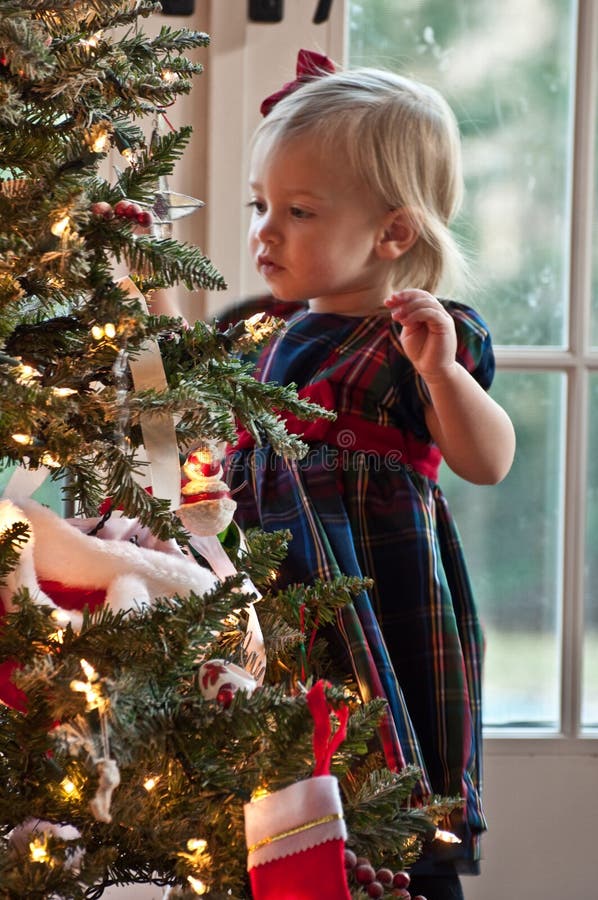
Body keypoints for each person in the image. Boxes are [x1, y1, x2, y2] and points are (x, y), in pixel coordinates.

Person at [226, 50, 516, 900]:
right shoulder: (258, 334)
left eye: (299, 211)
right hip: (264, 598)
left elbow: (487, 460)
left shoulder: (421, 336)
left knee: (388, 783)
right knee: (259, 798)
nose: (265, 232)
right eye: (260, 206)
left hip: (375, 598)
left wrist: (443, 374)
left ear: (392, 232)